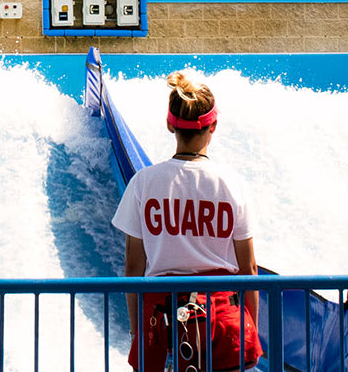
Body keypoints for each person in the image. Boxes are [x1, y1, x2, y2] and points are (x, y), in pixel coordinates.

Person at [113, 71, 263, 372]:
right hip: (222, 318)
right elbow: (248, 269)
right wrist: (251, 329)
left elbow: (133, 267)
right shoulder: (232, 184)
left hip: (161, 319)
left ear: (170, 125)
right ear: (213, 126)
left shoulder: (143, 183)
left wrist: (136, 330)